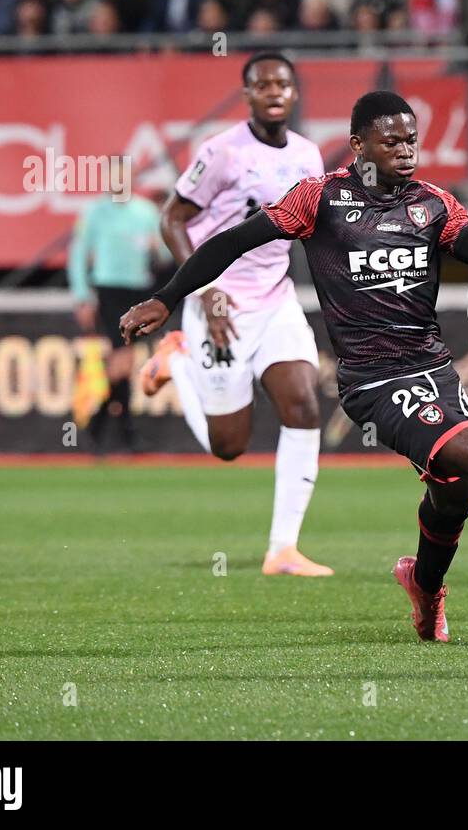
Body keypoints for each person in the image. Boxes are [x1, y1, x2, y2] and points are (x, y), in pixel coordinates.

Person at [122, 91, 468, 654]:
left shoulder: (434, 205)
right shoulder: (319, 200)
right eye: (392, 140)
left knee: (456, 497)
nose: (406, 150)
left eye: (411, 139)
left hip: (436, 373)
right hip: (374, 383)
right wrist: (167, 297)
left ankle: (424, 588)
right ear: (359, 145)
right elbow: (231, 241)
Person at [139, 52, 332, 578]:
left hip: (276, 299)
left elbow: (314, 228)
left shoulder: (310, 155)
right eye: (262, 84)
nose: (274, 91)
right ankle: (174, 359)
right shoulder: (222, 152)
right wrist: (203, 291)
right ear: (247, 94)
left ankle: (283, 550)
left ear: (294, 93)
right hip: (218, 301)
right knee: (229, 447)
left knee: (304, 406)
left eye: (283, 84)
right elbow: (172, 219)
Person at [67, 186, 162, 452]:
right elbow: (78, 254)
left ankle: (100, 426)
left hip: (137, 288)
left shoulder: (146, 211)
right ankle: (121, 429)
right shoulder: (94, 212)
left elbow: (165, 252)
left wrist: (159, 245)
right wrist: (82, 295)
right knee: (122, 358)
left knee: (123, 361)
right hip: (108, 289)